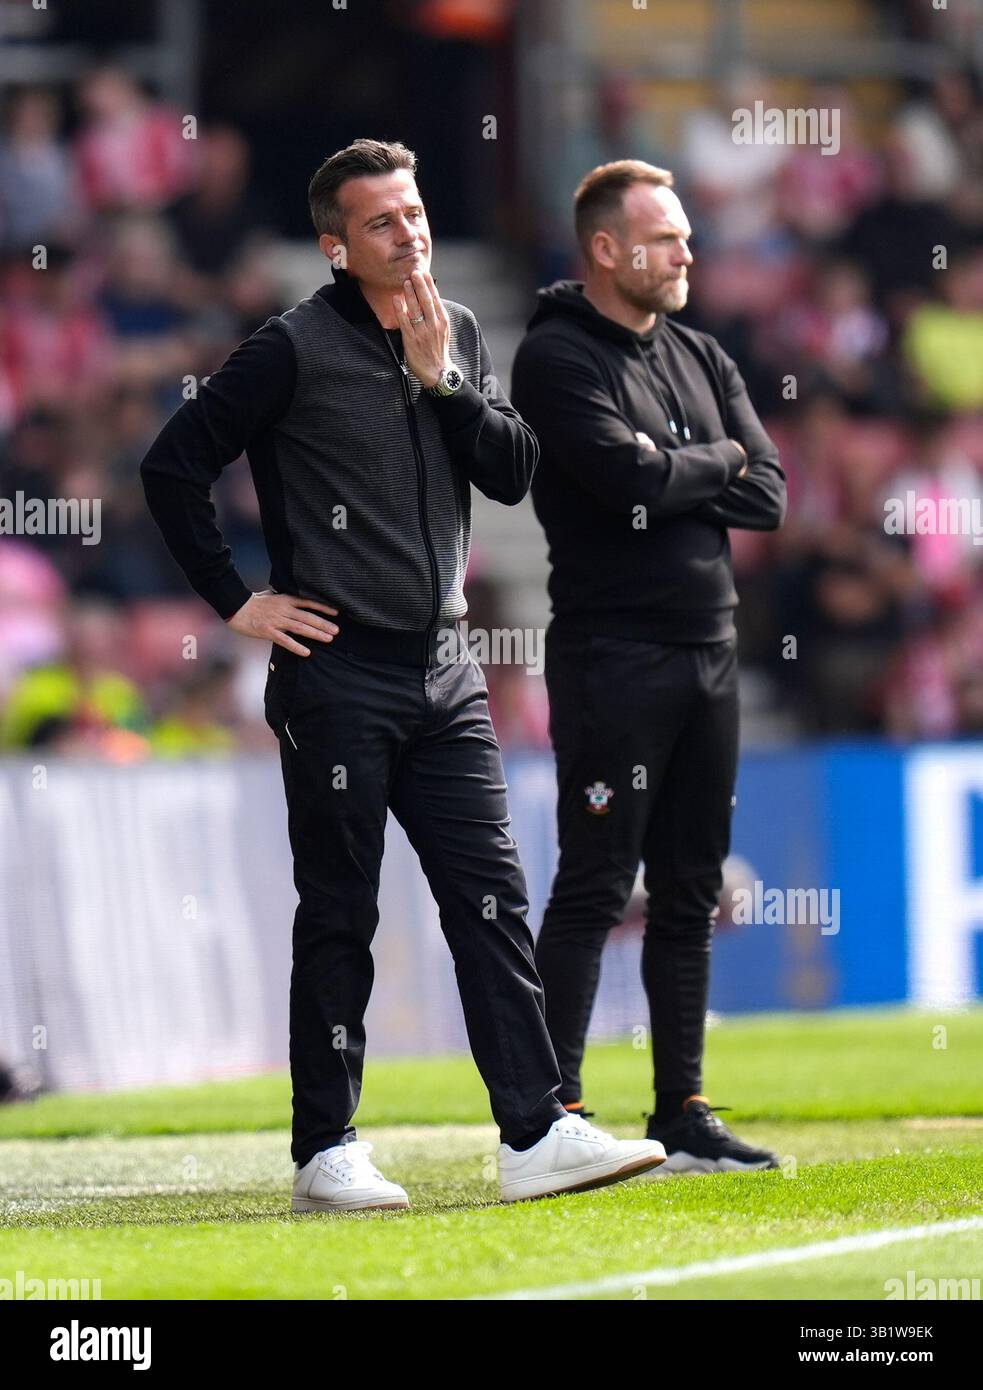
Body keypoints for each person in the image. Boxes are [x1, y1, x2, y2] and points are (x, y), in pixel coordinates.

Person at [140, 139, 666, 1210]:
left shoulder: (454, 329)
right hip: (336, 671)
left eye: (416, 214)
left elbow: (513, 472)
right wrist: (235, 599)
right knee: (339, 910)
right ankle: (325, 1149)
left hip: (445, 665)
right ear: (335, 245)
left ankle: (536, 1130)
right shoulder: (289, 349)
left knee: (491, 898)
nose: (410, 234)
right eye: (382, 223)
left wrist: (448, 384)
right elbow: (173, 462)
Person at [511, 160, 787, 1173]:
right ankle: (553, 1113)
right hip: (610, 654)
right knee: (592, 883)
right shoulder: (552, 358)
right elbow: (627, 478)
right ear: (604, 249)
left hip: (707, 648)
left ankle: (682, 1107)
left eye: (682, 236)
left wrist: (693, 465)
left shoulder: (701, 352)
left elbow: (769, 496)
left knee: (688, 888)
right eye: (664, 238)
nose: (685, 253)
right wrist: (714, 459)